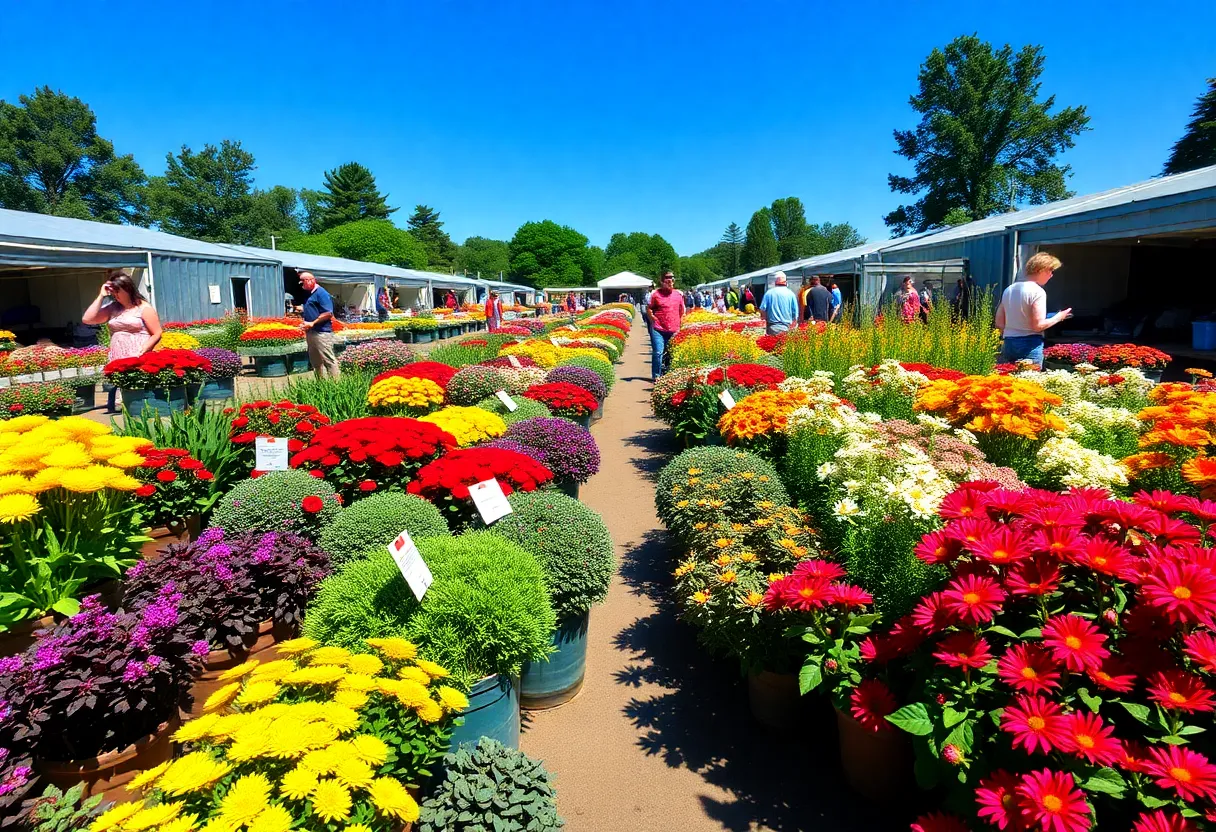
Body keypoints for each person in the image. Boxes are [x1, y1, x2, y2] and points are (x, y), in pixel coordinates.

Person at [82, 269, 163, 413]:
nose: (115, 295)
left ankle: (140, 412)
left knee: (137, 388)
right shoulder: (113, 308)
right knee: (121, 387)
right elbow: (88, 319)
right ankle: (126, 411)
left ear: (127, 289)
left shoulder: (144, 308)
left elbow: (157, 333)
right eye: (113, 292)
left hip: (137, 352)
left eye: (117, 291)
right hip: (118, 353)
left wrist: (144, 350)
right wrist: (101, 296)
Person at [995, 252, 1071, 368]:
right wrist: (1059, 317)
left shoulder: (1009, 289)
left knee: (1009, 382)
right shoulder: (1037, 291)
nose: (1051, 275)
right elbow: (1037, 326)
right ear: (1041, 270)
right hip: (1029, 343)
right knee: (1030, 382)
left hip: (1009, 342)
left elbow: (999, 323)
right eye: (1050, 271)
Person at [298, 271, 339, 379]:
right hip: (311, 332)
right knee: (315, 362)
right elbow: (315, 308)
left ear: (311, 280)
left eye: (303, 282)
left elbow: (328, 313)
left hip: (322, 332)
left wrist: (312, 323)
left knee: (329, 360)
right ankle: (320, 385)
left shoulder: (322, 293)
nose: (301, 284)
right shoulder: (309, 293)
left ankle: (336, 386)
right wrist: (303, 309)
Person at [648, 272, 684, 383]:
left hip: (674, 329)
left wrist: (681, 322)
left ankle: (669, 374)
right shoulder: (656, 294)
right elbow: (649, 308)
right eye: (667, 279)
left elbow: (682, 310)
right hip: (658, 329)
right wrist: (652, 319)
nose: (670, 282)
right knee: (658, 352)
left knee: (671, 353)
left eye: (672, 279)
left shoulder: (678, 295)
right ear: (662, 281)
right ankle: (656, 376)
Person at [758, 272, 799, 336]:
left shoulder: (769, 293)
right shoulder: (791, 294)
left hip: (772, 327)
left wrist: (765, 319)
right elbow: (795, 313)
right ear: (785, 282)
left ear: (775, 282)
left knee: (772, 344)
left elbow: (762, 309)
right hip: (787, 327)